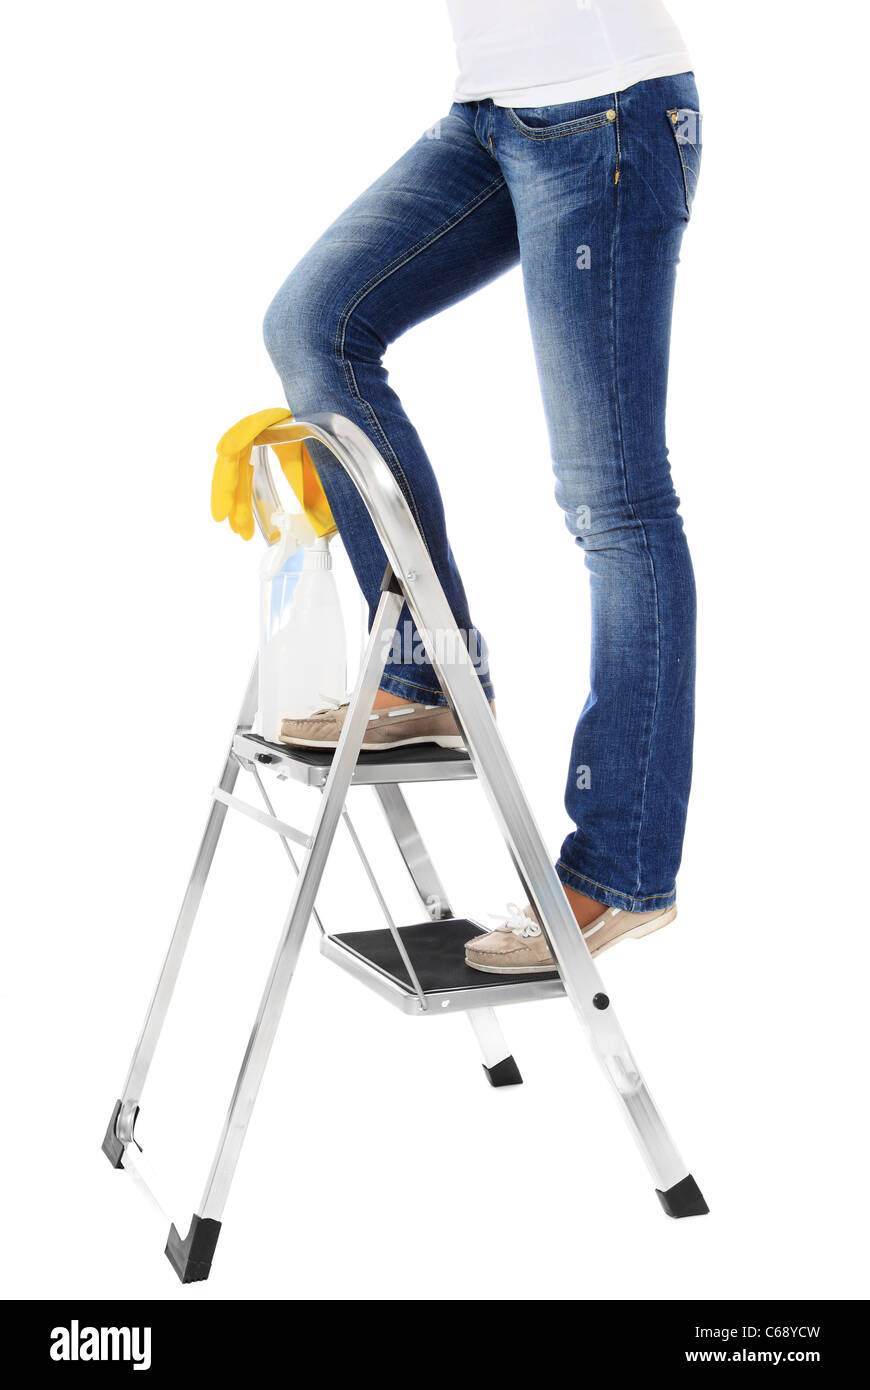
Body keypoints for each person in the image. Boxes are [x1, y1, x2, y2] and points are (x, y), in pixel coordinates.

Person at [264, 0, 702, 973]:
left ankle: (620, 867)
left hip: (609, 116)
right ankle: (430, 673)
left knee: (615, 501)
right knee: (315, 326)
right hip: (490, 117)